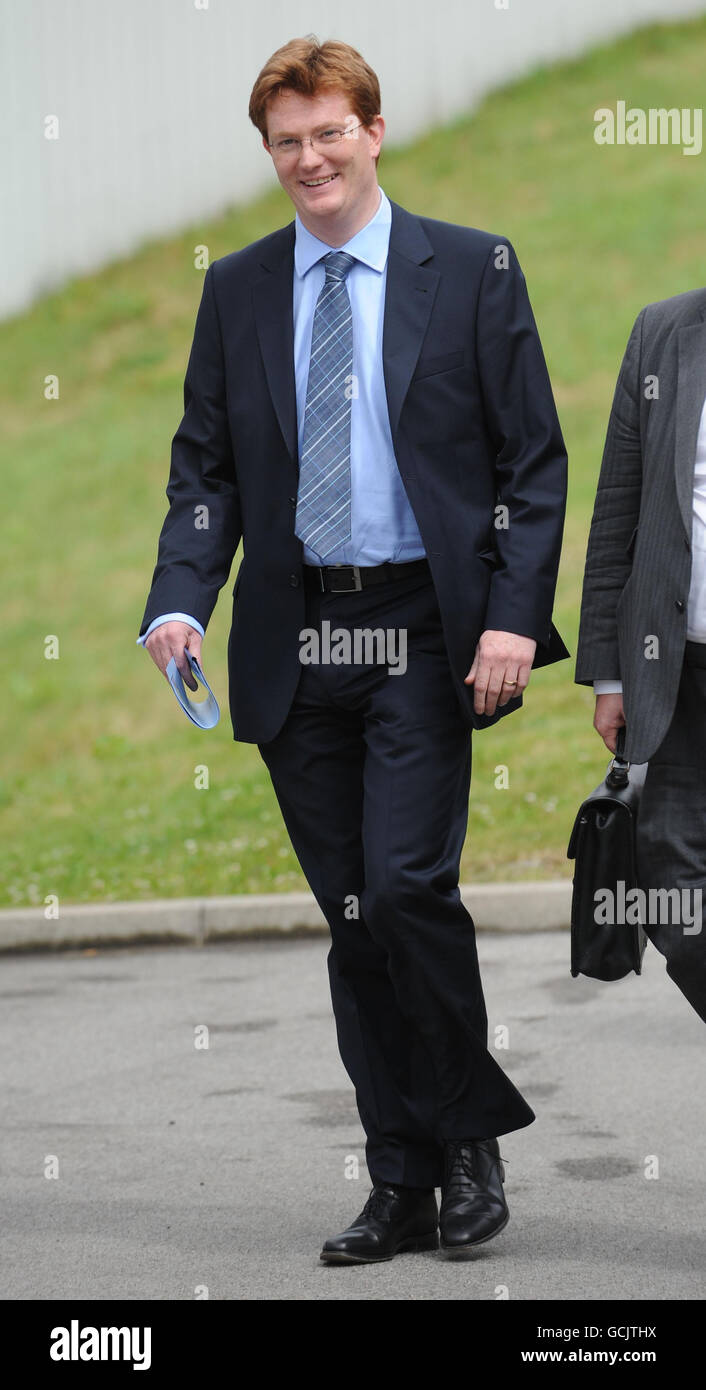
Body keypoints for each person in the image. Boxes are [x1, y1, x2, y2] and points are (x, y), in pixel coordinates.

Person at [137, 35, 568, 1264]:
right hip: (294, 640)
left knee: (406, 886)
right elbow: (205, 472)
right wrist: (178, 597)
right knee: (350, 914)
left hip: (422, 632)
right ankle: (400, 1178)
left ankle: (469, 1141)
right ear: (268, 154)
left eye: (330, 131)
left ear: (373, 131)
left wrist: (505, 614)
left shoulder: (473, 270)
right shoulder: (240, 290)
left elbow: (530, 466)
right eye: (287, 141)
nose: (310, 158)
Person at [575, 288, 706, 1026]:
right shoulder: (664, 332)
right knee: (671, 890)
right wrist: (611, 672)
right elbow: (618, 508)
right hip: (679, 673)